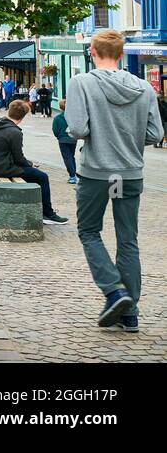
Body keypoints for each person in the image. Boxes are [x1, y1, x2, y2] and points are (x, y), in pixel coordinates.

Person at [66, 29, 164, 331]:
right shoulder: (144, 88)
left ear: (92, 53)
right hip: (129, 173)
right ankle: (130, 313)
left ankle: (114, 290)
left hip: (97, 172)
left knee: (89, 232)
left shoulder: (81, 83)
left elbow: (78, 129)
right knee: (128, 240)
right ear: (122, 54)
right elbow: (155, 134)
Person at [0, 99, 68, 226]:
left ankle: (40, 209)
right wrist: (30, 164)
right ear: (22, 116)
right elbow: (19, 159)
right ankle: (48, 214)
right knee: (42, 177)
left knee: (33, 174)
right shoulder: (14, 132)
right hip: (2, 168)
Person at [52, 97, 77, 184]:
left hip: (63, 139)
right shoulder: (73, 117)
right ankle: (73, 173)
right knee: (71, 156)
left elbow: (55, 130)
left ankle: (72, 176)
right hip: (73, 138)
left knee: (67, 157)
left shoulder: (57, 118)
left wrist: (59, 136)